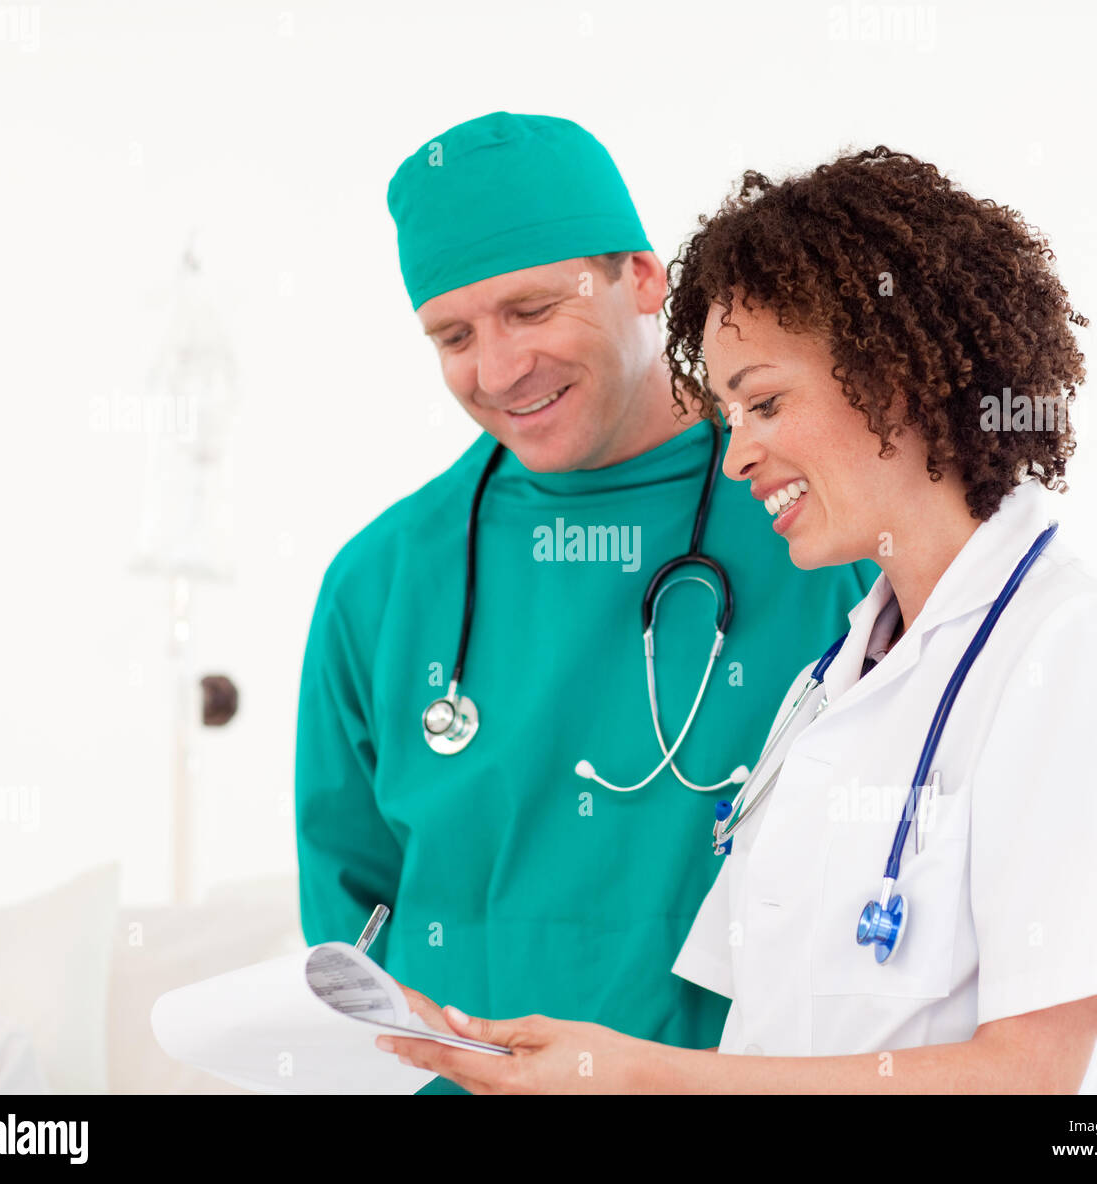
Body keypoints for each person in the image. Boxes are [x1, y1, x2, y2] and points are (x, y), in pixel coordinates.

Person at [375, 147, 1097, 1093]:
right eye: (730, 409)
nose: (734, 455)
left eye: (762, 403)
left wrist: (637, 1078)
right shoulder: (837, 681)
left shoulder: (1063, 645)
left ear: (893, 378)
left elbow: (1029, 1078)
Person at [294, 113, 878, 1093]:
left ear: (642, 280)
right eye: (453, 334)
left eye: (530, 310)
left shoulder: (818, 528)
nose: (496, 368)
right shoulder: (381, 581)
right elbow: (349, 926)